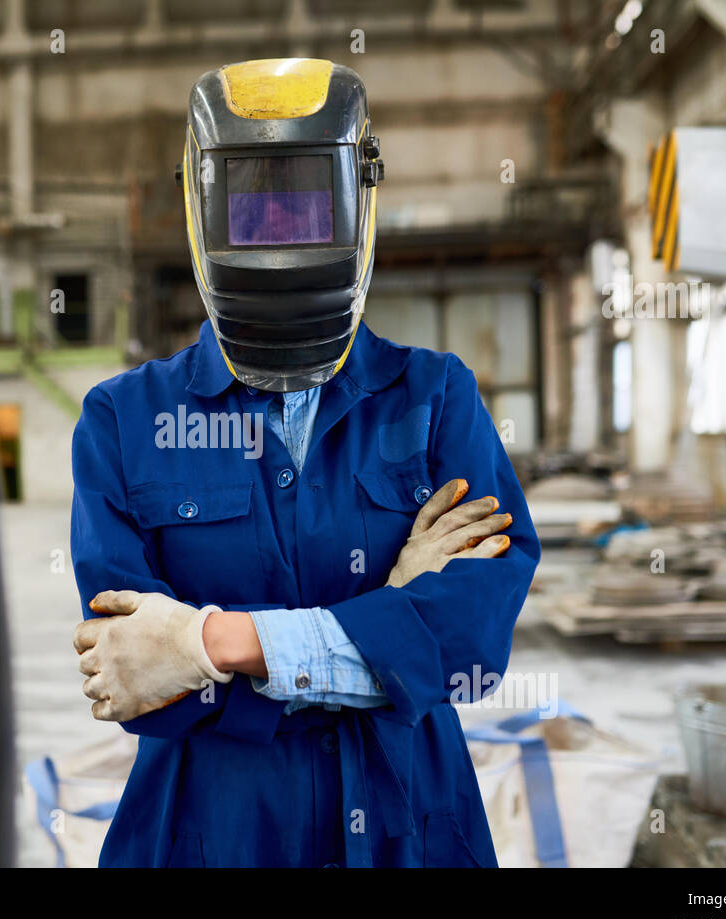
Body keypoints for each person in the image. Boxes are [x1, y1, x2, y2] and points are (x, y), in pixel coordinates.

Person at [70, 58, 539, 867]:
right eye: (255, 204)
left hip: (409, 827)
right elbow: (138, 684)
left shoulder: (435, 399)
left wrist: (214, 642)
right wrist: (389, 621)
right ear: (196, 202)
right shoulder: (122, 420)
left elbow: (467, 646)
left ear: (364, 193)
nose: (281, 231)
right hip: (208, 834)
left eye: (304, 201)